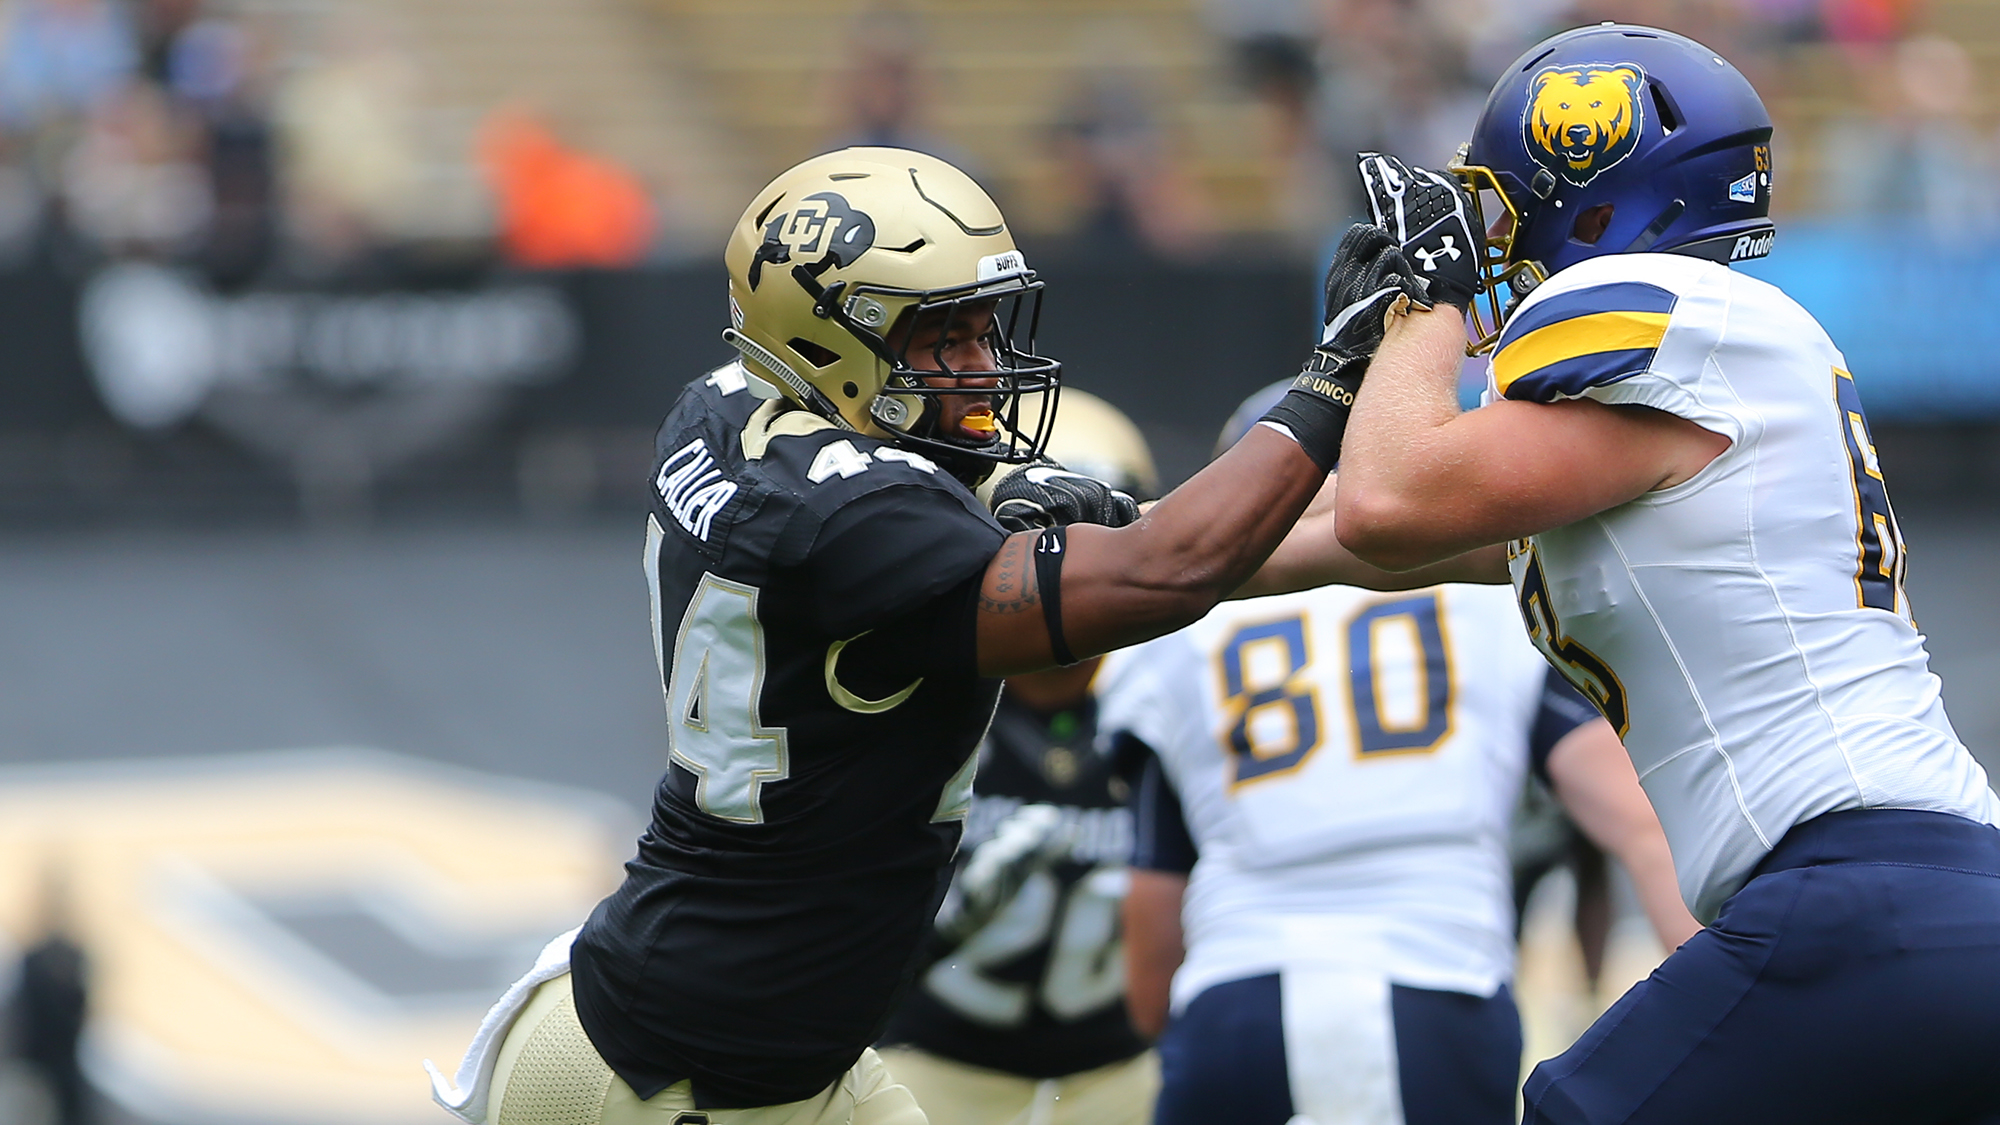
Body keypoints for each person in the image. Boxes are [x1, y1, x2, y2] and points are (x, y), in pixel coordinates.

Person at [427, 146, 1454, 1125]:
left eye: (980, 330)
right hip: (682, 1079)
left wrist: (1495, 532)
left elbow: (1206, 556)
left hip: (733, 1038)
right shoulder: (861, 528)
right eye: (942, 340)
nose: (979, 366)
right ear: (830, 340)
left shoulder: (724, 405)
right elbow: (1169, 568)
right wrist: (1330, 379)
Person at [1325, 23, 2000, 1124]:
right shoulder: (1671, 411)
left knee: (1576, 1110)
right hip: (1919, 898)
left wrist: (1424, 304)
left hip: (1849, 893)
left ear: (1589, 192)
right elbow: (1353, 539)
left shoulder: (1666, 309)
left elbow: (1387, 500)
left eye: (1502, 205)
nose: (1491, 240)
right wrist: (1133, 528)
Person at [1098, 384, 1695, 1125]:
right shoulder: (1488, 601)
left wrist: (1179, 1032)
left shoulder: (1180, 635)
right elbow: (1636, 822)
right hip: (1433, 987)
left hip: (1234, 999)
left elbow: (1154, 899)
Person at [877, 391, 1162, 1125]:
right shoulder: (909, 679)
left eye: (1092, 536)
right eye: (1040, 537)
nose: (1065, 568)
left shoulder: (1174, 685)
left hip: (1125, 1068)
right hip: (930, 1060)